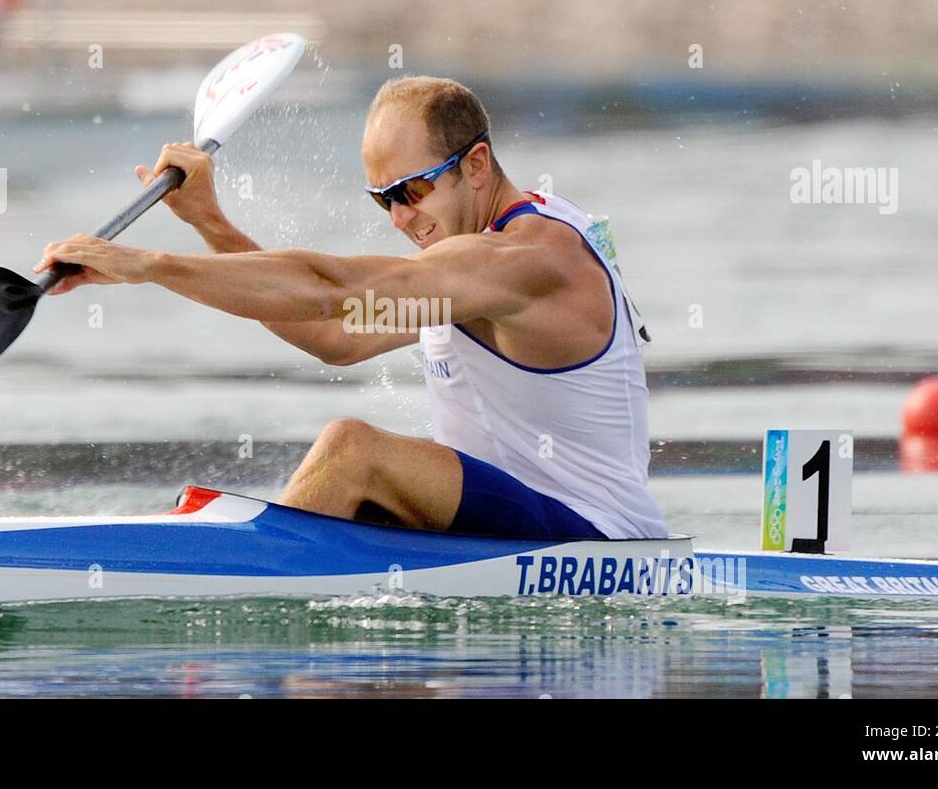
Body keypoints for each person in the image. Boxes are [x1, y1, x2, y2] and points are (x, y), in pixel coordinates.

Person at [35, 76, 667, 540]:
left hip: (598, 542)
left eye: (412, 190)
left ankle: (234, 588)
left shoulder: (529, 259)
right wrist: (212, 224)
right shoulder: (465, 267)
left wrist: (152, 266)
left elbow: (335, 287)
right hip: (513, 523)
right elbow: (336, 333)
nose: (400, 218)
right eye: (382, 200)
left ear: (475, 165)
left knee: (352, 450)